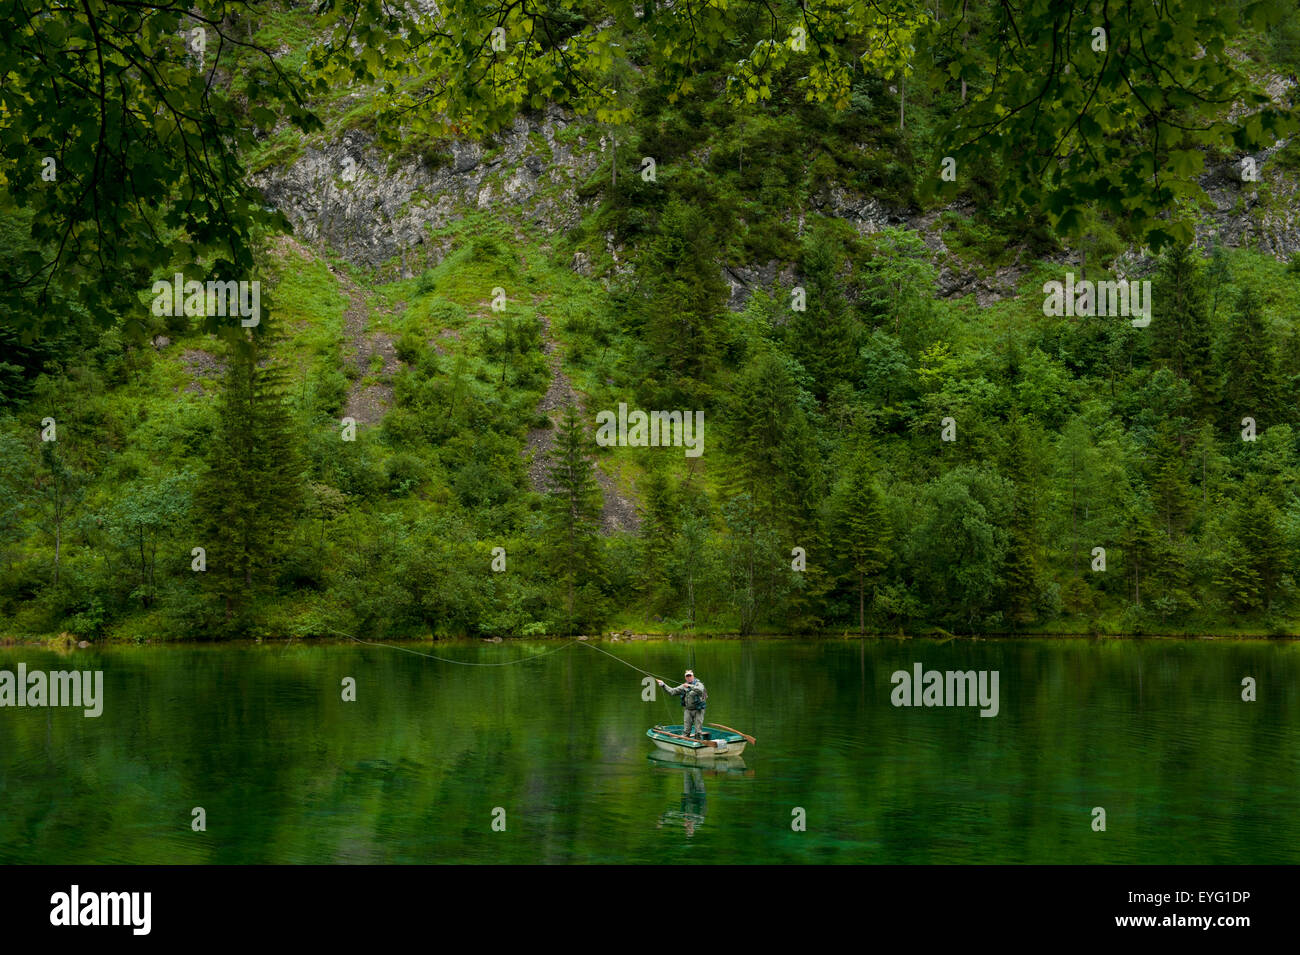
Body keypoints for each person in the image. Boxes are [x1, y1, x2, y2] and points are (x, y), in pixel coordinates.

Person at [658, 669, 708, 738]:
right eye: (687, 676)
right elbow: (672, 692)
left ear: (693, 676)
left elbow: (700, 690)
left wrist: (690, 686)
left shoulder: (699, 684)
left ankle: (698, 743)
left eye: (690, 676)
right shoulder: (683, 686)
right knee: (686, 730)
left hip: (698, 710)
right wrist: (663, 685)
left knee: (698, 731)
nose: (689, 677)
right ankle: (685, 744)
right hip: (688, 710)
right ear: (685, 678)